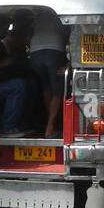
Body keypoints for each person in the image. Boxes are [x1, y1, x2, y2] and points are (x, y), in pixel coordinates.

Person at [0, 14, 35, 137]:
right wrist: (4, 63)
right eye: (3, 27)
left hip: (2, 80)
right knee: (19, 86)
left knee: (30, 83)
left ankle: (24, 124)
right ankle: (6, 127)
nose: (5, 30)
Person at [27, 9, 69, 137]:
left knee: (47, 88)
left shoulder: (37, 15)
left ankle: (49, 122)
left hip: (35, 54)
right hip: (54, 52)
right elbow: (70, 36)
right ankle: (50, 127)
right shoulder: (61, 13)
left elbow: (29, 34)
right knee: (58, 90)